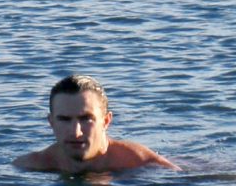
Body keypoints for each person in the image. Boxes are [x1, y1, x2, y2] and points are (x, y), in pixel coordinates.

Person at [14, 73, 176, 175]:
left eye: (86, 119)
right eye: (64, 119)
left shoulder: (141, 163)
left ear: (106, 121)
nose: (76, 132)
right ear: (51, 123)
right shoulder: (31, 166)